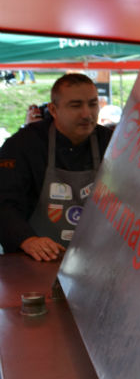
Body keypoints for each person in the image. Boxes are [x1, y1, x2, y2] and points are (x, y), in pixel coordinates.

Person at [0, 73, 113, 261]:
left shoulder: (112, 143)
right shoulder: (22, 145)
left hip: (96, 260)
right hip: (37, 260)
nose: (87, 114)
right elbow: (4, 204)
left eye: (92, 104)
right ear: (53, 109)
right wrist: (27, 240)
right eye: (76, 105)